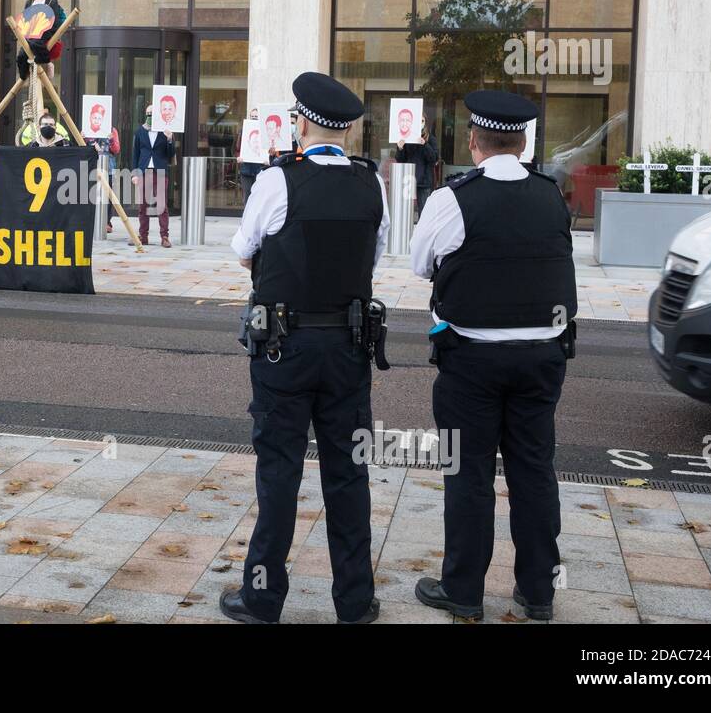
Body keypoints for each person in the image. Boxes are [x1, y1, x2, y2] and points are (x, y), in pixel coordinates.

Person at [222, 72, 390, 626]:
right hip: (348, 349)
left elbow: (244, 252)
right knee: (349, 475)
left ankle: (263, 599)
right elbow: (374, 258)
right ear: (344, 131)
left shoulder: (277, 181)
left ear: (301, 122)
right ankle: (355, 602)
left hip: (284, 350)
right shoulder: (372, 184)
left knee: (279, 475)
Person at [410, 90, 577, 623]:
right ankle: (538, 593)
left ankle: (463, 591)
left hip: (471, 363)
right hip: (542, 359)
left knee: (468, 474)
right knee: (534, 471)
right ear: (524, 142)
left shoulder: (452, 198)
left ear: (474, 143)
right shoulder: (552, 196)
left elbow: (420, 265)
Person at [131, 104, 174, 248]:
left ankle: (165, 236)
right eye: (148, 113)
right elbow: (135, 154)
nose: (150, 115)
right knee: (143, 206)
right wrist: (135, 174)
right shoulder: (140, 132)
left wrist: (169, 140)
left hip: (160, 172)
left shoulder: (164, 132)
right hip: (143, 172)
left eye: (152, 113)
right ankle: (143, 236)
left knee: (161, 206)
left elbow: (171, 155)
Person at [15, 0, 66, 84]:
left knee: (35, 45)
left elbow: (55, 20)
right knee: (21, 56)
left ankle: (48, 62)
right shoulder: (29, 3)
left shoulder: (52, 2)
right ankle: (24, 77)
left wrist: (49, 32)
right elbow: (25, 19)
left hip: (45, 31)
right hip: (31, 33)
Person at [396, 117, 439, 217]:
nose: (420, 123)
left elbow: (434, 158)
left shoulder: (430, 138)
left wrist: (425, 145)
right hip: (408, 180)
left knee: (424, 212)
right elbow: (400, 159)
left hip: (424, 181)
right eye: (418, 121)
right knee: (405, 212)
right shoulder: (406, 138)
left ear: (425, 123)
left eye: (422, 121)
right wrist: (400, 148)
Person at [239, 107, 266, 204]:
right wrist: (238, 157)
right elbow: (237, 147)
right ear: (249, 117)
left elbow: (268, 150)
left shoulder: (265, 131)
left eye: (256, 116)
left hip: (259, 169)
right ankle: (247, 218)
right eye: (252, 116)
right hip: (246, 169)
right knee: (247, 195)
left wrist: (267, 158)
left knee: (258, 196)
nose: (254, 118)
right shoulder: (244, 130)